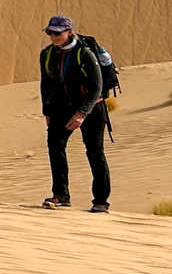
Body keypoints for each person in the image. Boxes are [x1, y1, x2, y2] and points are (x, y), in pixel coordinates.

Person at [39, 14, 111, 212]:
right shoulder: (46, 54)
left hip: (91, 107)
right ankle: (61, 195)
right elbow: (46, 85)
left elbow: (97, 86)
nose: (53, 36)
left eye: (57, 33)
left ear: (69, 32)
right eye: (50, 32)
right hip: (62, 108)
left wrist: (81, 113)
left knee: (95, 152)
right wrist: (47, 111)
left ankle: (101, 202)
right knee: (55, 145)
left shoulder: (84, 53)